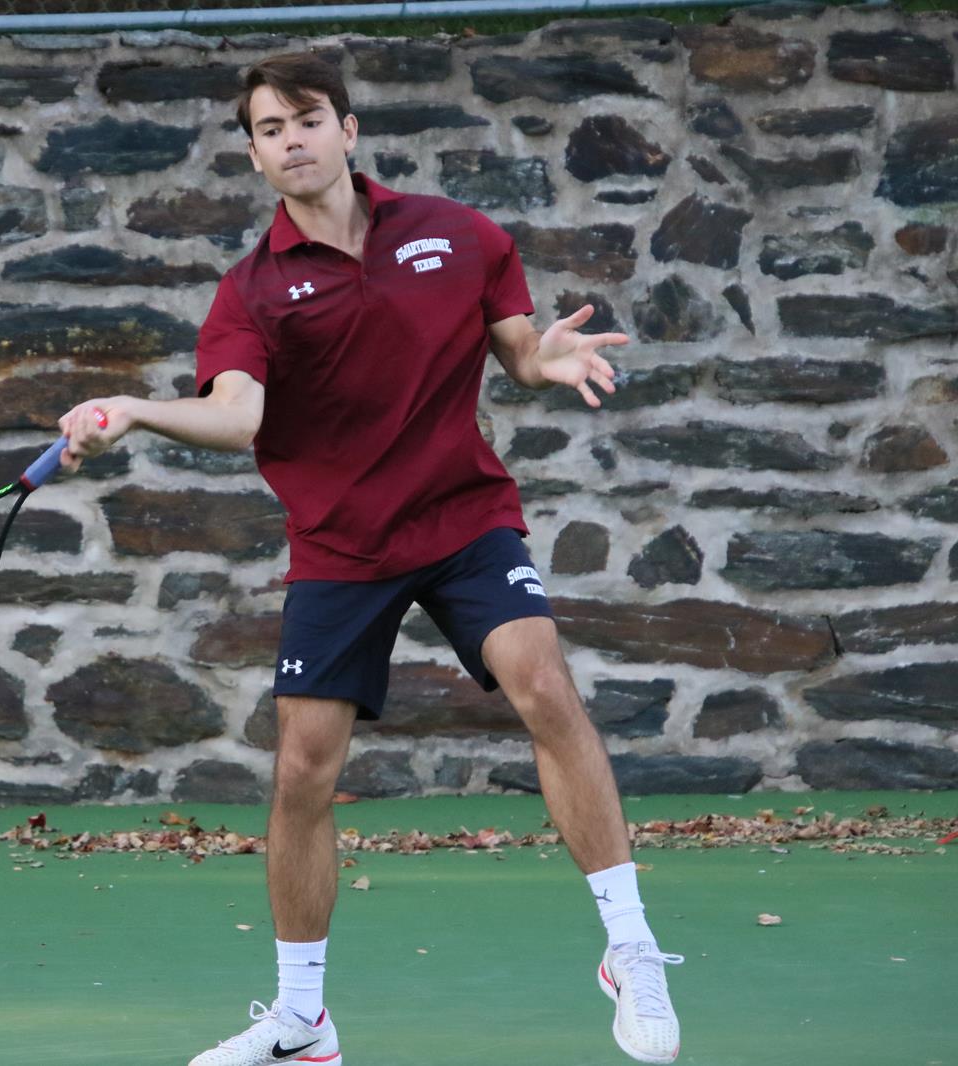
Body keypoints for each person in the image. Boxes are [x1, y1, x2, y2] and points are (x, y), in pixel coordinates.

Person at [57, 52, 683, 1066]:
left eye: (306, 119)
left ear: (348, 131)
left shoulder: (458, 235)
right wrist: (135, 409)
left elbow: (515, 347)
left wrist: (542, 359)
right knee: (304, 767)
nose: (289, 139)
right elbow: (237, 413)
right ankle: (301, 1021)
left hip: (461, 515)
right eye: (268, 128)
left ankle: (631, 948)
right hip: (342, 544)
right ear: (255, 154)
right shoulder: (251, 293)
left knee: (544, 684)